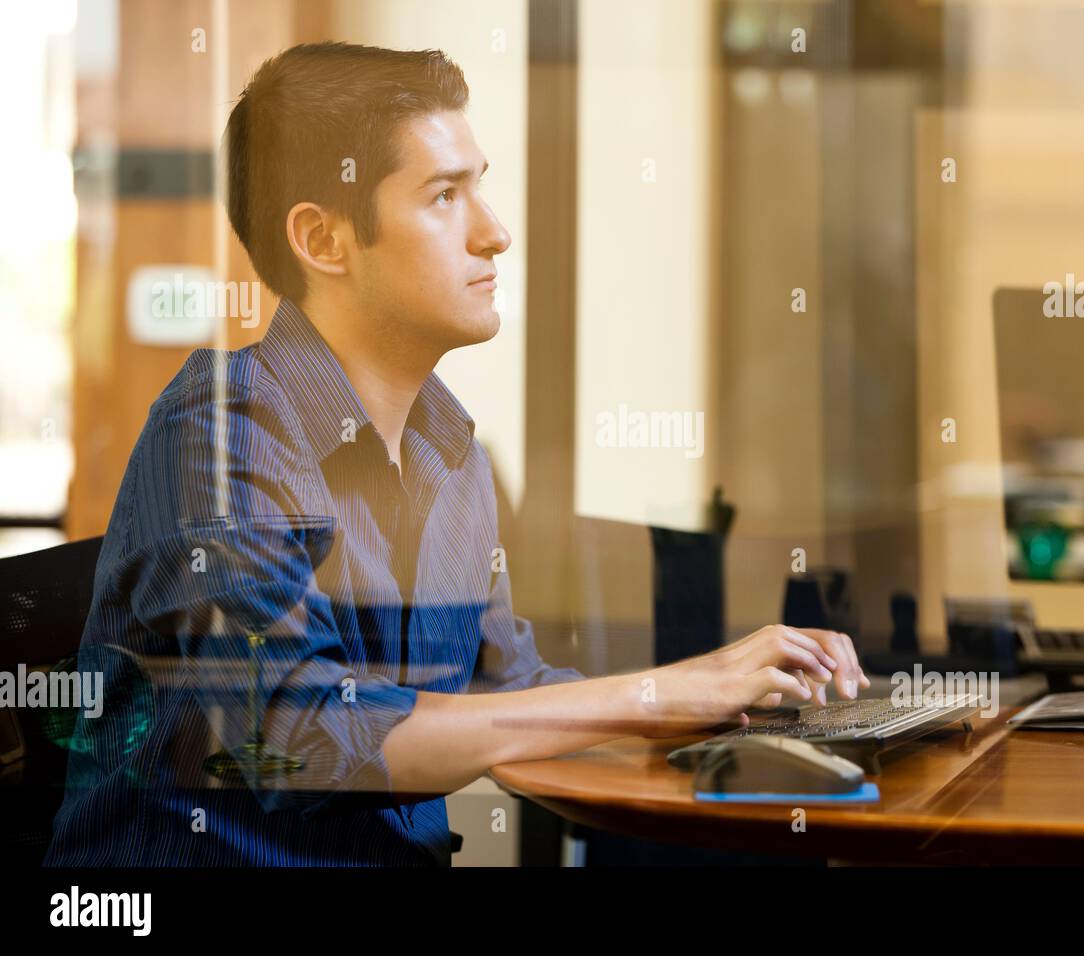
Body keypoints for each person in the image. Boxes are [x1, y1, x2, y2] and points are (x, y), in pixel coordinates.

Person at [45, 42, 868, 867]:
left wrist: (726, 694)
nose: (496, 233)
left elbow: (506, 692)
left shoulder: (452, 451)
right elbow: (309, 740)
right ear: (323, 240)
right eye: (444, 196)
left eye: (481, 185)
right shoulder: (218, 434)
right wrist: (663, 695)